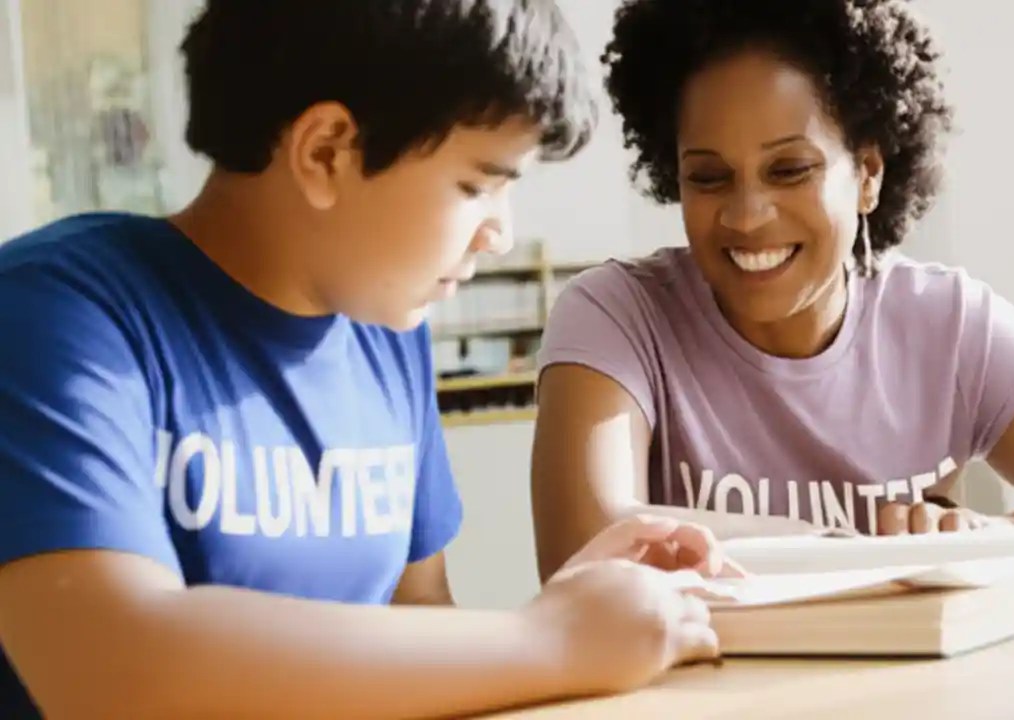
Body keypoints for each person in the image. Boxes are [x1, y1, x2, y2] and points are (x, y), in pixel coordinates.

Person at [0, 2, 733, 718]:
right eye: (477, 184)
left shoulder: (385, 331)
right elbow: (103, 667)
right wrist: (549, 637)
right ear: (325, 152)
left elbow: (418, 623)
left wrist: (577, 605)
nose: (499, 234)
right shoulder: (55, 313)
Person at [530, 0, 1014, 580]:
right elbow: (583, 543)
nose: (745, 216)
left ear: (866, 173)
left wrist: (1008, 531)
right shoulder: (617, 316)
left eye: (790, 170)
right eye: (709, 178)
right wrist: (863, 549)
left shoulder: (946, 324)